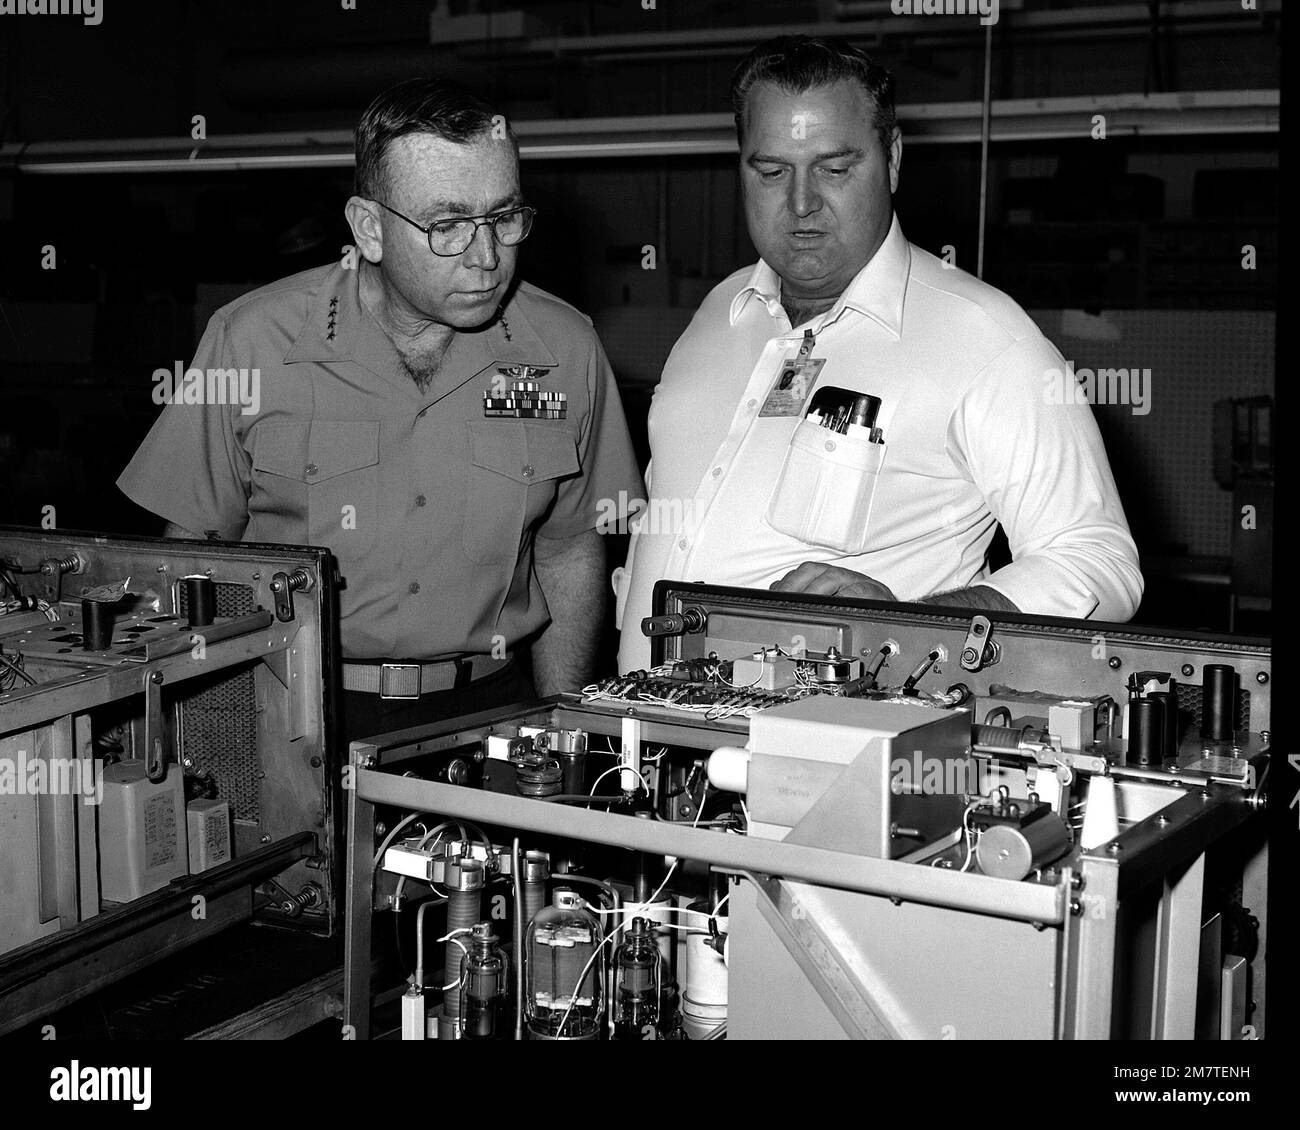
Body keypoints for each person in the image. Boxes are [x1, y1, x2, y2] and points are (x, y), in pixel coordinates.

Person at [119, 78, 641, 738]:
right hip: (289, 710)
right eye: (447, 226)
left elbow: (569, 551)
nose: (486, 259)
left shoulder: (566, 348)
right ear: (369, 229)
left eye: (505, 218)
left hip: (491, 712)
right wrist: (206, 738)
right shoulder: (251, 341)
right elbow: (192, 555)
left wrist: (564, 731)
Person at [616, 35, 1142, 672]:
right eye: (772, 170)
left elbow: (1099, 561)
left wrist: (913, 622)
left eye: (835, 169)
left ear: (891, 160)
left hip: (832, 755)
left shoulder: (985, 339)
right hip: (645, 739)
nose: (802, 203)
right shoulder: (718, 314)